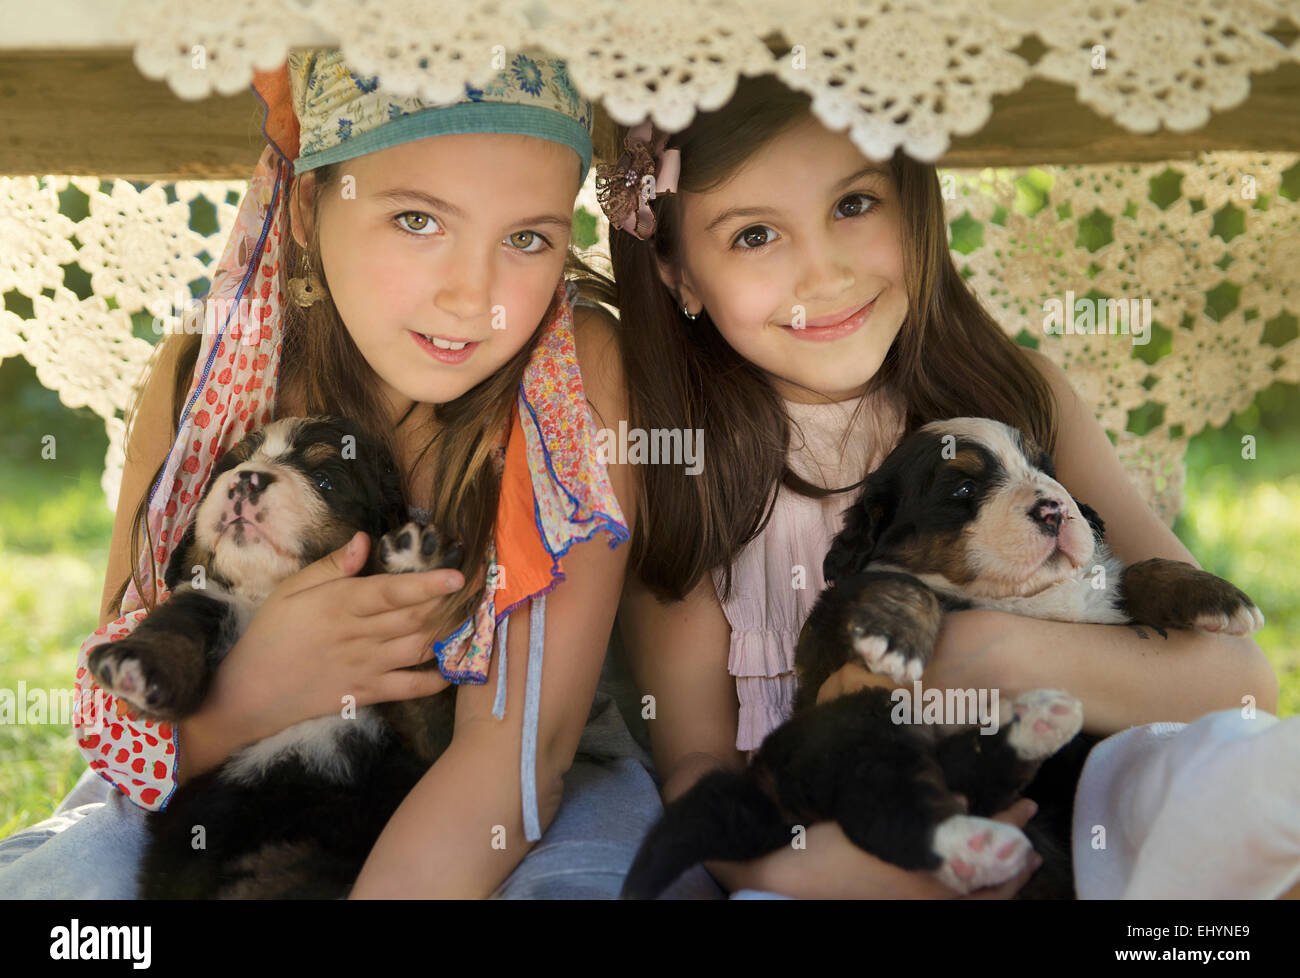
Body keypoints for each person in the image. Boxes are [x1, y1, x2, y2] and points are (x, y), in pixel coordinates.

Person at [0, 47, 698, 900]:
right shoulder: (210, 373)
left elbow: (520, 766)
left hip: (510, 791)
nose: (470, 294)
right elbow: (123, 713)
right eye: (417, 220)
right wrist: (254, 691)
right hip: (230, 779)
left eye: (525, 238)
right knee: (74, 892)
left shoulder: (570, 375)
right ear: (304, 204)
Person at [602, 74, 1282, 898]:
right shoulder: (684, 472)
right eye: (753, 235)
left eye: (854, 205)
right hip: (839, 851)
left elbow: (1238, 683)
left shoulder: (1018, 397)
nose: (823, 273)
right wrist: (880, 872)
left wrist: (990, 654)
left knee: (1251, 789)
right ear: (676, 272)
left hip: (1094, 812)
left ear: (917, 197)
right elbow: (700, 769)